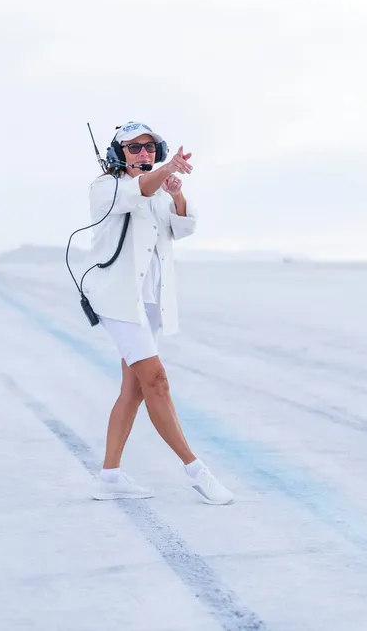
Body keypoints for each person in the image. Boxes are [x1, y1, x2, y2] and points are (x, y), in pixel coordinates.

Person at [81, 120, 234, 505]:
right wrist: (164, 172)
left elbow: (183, 228)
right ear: (119, 155)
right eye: (134, 148)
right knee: (157, 382)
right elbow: (136, 193)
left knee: (132, 391)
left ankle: (110, 477)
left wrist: (177, 193)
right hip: (117, 301)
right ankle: (196, 470)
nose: (144, 154)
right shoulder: (106, 188)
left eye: (150, 148)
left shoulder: (160, 191)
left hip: (147, 303)